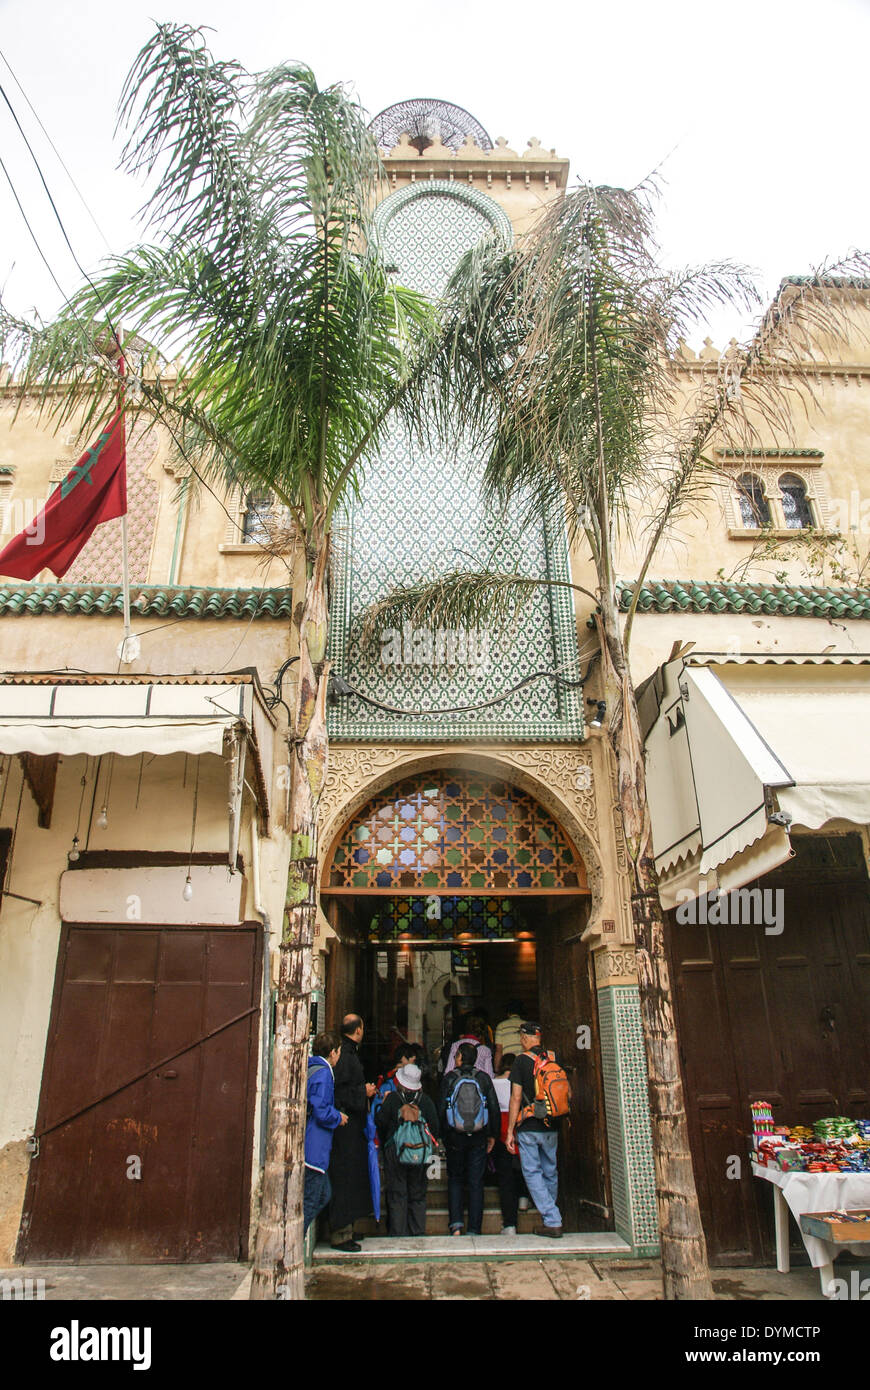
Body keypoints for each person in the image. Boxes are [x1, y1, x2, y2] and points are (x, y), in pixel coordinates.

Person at [506, 1022, 565, 1238]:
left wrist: (510, 1130)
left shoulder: (521, 1061)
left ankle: (552, 1219)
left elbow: (516, 1098)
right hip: (552, 1124)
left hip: (529, 1124)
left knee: (532, 1172)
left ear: (524, 1038)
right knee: (550, 1170)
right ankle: (550, 1217)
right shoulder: (553, 1057)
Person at [440, 1040, 501, 1236]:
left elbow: (441, 1108)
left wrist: (442, 1136)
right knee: (476, 1181)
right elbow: (493, 1108)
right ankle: (474, 1228)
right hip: (478, 1136)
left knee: (455, 1178)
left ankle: (456, 1225)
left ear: (459, 1057)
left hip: (455, 1136)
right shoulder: (483, 1078)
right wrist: (493, 1134)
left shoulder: (449, 1078)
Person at [327, 1013, 377, 1252]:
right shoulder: (345, 1056)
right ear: (358, 1030)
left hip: (351, 1127)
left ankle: (347, 1227)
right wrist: (363, 1092)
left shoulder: (348, 1053)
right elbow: (338, 1093)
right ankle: (340, 1234)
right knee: (345, 1177)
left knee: (352, 1177)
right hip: (345, 1127)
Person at [375, 1062, 440, 1237]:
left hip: (395, 1152)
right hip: (420, 1154)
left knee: (397, 1194)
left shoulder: (392, 1099)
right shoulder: (426, 1101)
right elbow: (435, 1127)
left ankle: (398, 1233)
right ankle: (417, 1231)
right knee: (418, 1194)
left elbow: (380, 1123)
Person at [304, 1032, 347, 1235]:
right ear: (333, 1052)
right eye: (339, 1051)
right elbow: (320, 1108)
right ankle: (294, 1239)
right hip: (314, 1146)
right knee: (315, 1198)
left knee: (322, 1194)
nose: (340, 1056)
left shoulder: (312, 1067)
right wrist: (338, 1117)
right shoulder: (323, 1073)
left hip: (313, 1144)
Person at [490, 1052, 524, 1235]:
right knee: (526, 1167)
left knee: (505, 1178)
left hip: (501, 1131)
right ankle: (524, 1198)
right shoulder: (521, 1082)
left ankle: (510, 1224)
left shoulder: (494, 1082)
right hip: (520, 1127)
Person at [493, 999, 526, 1072]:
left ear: (508, 1013)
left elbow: (499, 1050)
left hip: (507, 1067)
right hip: (523, 1066)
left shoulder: (501, 1026)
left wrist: (496, 1069)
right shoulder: (526, 1025)